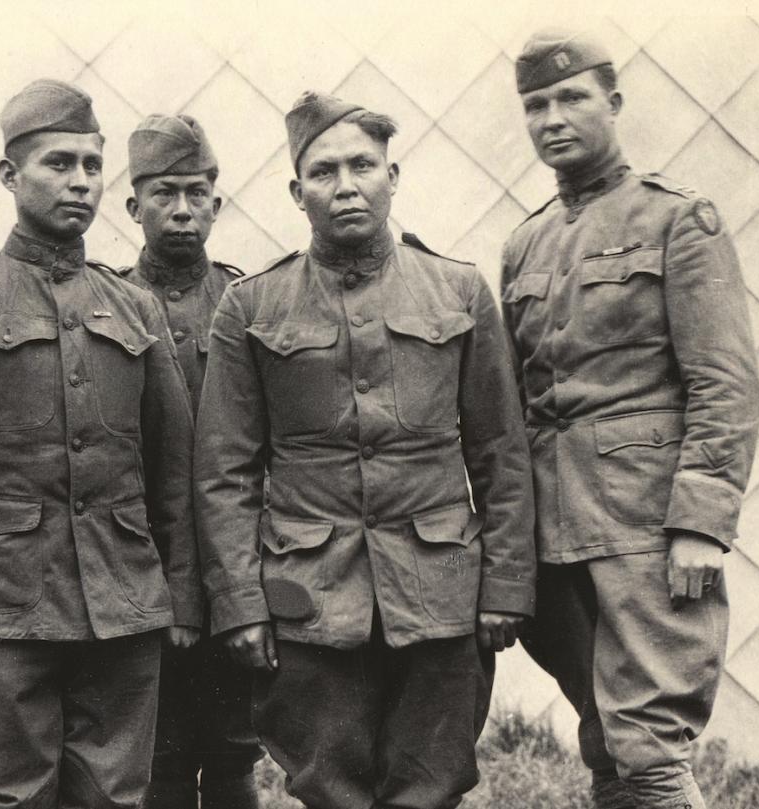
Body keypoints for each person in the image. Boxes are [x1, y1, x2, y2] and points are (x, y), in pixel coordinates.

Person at [194, 90, 536, 809]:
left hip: (442, 593)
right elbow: (223, 474)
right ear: (297, 190)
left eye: (362, 165)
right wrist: (241, 606)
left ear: (393, 174)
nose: (345, 185)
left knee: (430, 786)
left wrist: (506, 586)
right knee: (329, 787)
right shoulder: (252, 307)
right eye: (323, 172)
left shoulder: (459, 291)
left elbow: (500, 452)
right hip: (309, 598)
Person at [0, 78, 202, 809]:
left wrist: (181, 595)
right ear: (8, 175)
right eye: (59, 164)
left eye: (92, 166)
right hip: (5, 609)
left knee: (113, 794)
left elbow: (175, 468)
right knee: (12, 794)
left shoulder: (134, 305)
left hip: (122, 602)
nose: (81, 182)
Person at [501, 29, 759, 809]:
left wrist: (701, 522)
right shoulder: (525, 242)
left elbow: (724, 380)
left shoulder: (679, 221)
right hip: (553, 535)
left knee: (649, 744)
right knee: (606, 739)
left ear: (612, 104)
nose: (554, 117)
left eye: (573, 97)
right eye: (536, 105)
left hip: (646, 530)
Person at [117, 114, 262, 809]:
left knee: (235, 749)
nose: (181, 209)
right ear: (132, 205)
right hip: (139, 566)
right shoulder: (110, 304)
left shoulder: (248, 300)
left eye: (196, 193)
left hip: (234, 563)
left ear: (216, 202)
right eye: (163, 193)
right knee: (160, 753)